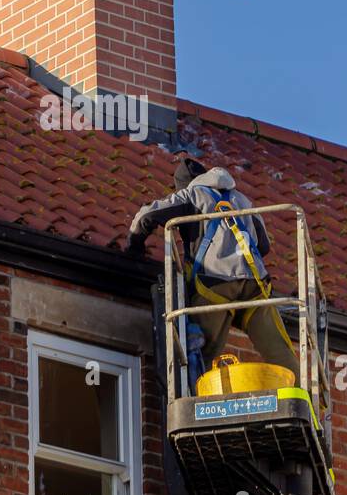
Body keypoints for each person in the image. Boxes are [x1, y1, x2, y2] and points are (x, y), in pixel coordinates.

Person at [126, 156, 300, 392]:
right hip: (255, 285)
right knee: (279, 351)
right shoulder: (243, 201)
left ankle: (200, 406)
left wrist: (134, 246)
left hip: (215, 285)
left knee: (199, 353)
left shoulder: (191, 195)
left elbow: (146, 216)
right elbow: (264, 245)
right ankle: (301, 402)